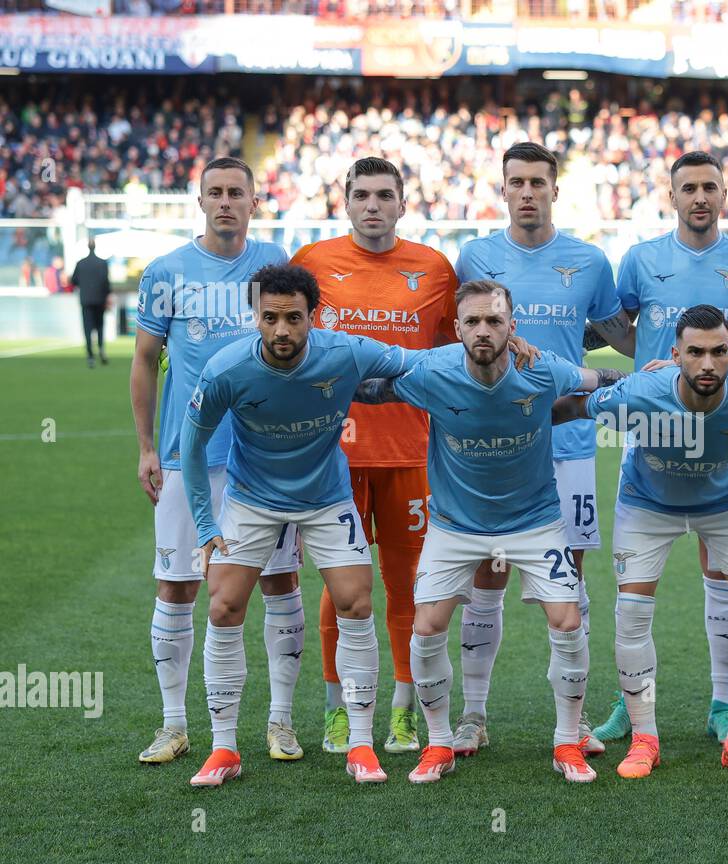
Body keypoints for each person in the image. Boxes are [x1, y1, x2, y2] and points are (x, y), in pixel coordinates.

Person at [351, 279, 626, 784]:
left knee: (568, 621)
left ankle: (567, 742)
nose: (483, 330)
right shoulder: (432, 370)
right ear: (456, 328)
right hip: (456, 525)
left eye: (494, 321)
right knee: (427, 626)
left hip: (534, 520)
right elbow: (368, 390)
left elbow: (600, 379)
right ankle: (438, 744)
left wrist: (658, 374)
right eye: (473, 321)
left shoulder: (540, 369)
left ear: (511, 327)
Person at [555, 304, 728, 779]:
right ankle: (645, 736)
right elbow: (572, 407)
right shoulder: (638, 394)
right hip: (647, 504)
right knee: (632, 612)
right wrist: (515, 427)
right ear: (675, 354)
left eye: (718, 352)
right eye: (695, 353)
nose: (707, 364)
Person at [181, 264, 413, 787]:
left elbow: (416, 362)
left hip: (326, 496)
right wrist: (203, 525)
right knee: (222, 604)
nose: (281, 329)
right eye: (270, 318)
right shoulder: (226, 369)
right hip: (252, 498)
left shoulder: (346, 351)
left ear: (314, 316)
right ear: (254, 317)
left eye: (293, 318)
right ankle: (223, 749)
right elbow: (191, 446)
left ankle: (359, 744)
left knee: (356, 601)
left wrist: (493, 347)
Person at [448, 142, 633, 758]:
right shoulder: (475, 255)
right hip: (491, 438)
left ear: (556, 189)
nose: (527, 192)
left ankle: (573, 720)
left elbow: (616, 336)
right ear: (503, 189)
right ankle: (473, 715)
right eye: (516, 182)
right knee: (487, 573)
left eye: (538, 182)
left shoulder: (589, 261)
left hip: (570, 439)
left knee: (570, 580)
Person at [596, 150, 728, 747]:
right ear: (671, 196)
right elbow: (617, 326)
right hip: (657, 427)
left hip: (719, 426)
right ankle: (634, 703)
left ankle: (724, 704)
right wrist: (646, 368)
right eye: (688, 188)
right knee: (636, 590)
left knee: (723, 573)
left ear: (724, 195)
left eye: (710, 188)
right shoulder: (642, 259)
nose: (700, 197)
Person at [130, 157, 304, 767]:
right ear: (199, 200)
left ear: (255, 202)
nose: (226, 201)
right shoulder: (166, 272)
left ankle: (280, 722)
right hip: (188, 458)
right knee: (177, 586)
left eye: (237, 192)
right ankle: (174, 724)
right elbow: (145, 359)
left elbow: (301, 355)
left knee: (281, 581)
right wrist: (148, 447)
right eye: (216, 192)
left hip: (266, 457)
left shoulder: (277, 265)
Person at [290, 156, 458, 757]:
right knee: (341, 589)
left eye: (384, 195)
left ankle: (406, 711)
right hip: (333, 457)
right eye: (361, 195)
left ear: (402, 203)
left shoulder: (434, 269)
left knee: (408, 588)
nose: (372, 206)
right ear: (346, 201)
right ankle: (339, 711)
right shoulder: (312, 262)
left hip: (413, 452)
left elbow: (453, 350)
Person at [70, 238, 111, 368]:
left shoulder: (81, 263)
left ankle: (90, 355)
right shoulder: (102, 263)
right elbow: (106, 282)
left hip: (86, 300)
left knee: (87, 328)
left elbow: (73, 281)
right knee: (99, 326)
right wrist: (106, 296)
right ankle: (101, 349)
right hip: (99, 299)